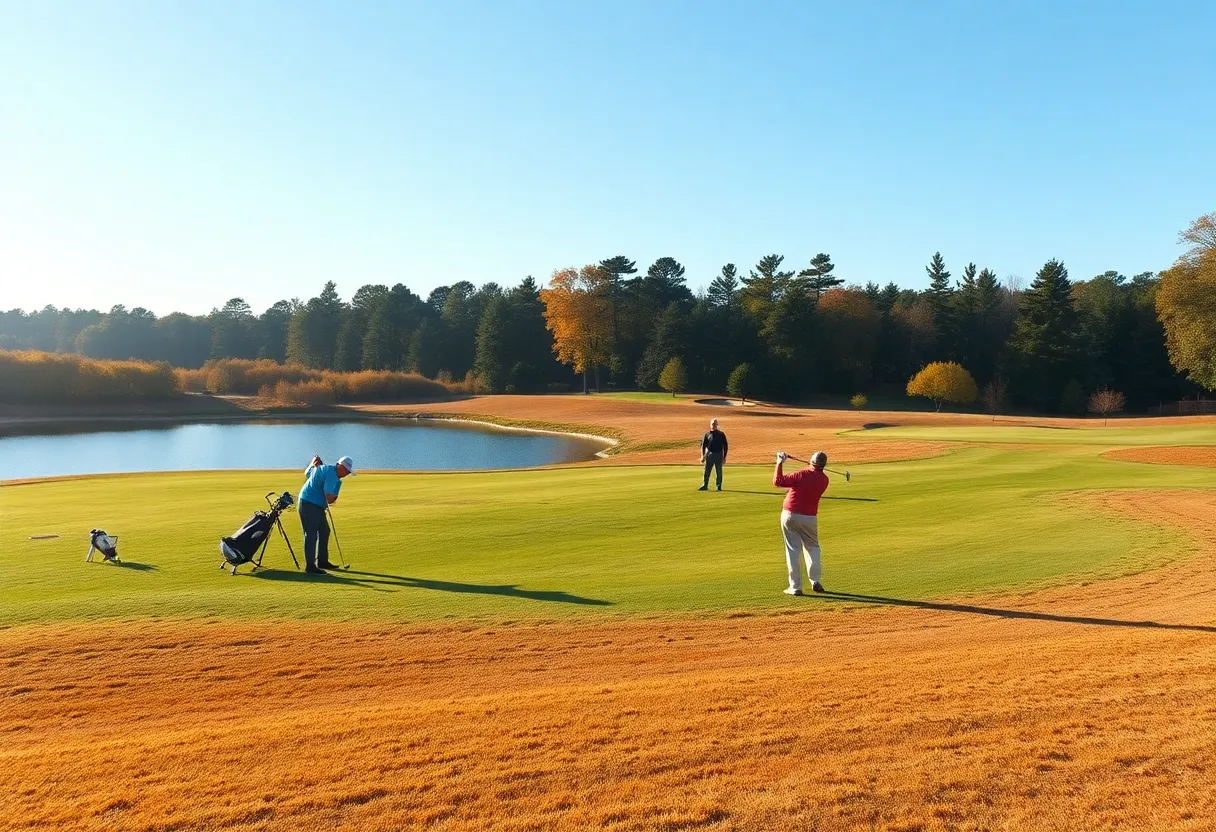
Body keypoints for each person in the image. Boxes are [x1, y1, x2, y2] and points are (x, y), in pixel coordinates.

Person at [773, 450, 830, 596]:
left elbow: (778, 481)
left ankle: (795, 587)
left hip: (790, 515)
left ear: (811, 462)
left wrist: (780, 462)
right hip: (810, 518)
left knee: (793, 550)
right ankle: (815, 580)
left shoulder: (802, 474)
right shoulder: (825, 480)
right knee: (813, 548)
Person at [298, 454, 355, 573]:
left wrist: (313, 463)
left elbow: (308, 473)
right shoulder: (332, 475)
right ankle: (310, 566)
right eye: (346, 470)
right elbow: (329, 498)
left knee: (324, 531)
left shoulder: (324, 469)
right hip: (309, 504)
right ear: (339, 466)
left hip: (314, 505)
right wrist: (336, 493)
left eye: (348, 472)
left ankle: (322, 562)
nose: (347, 474)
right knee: (311, 534)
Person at [699, 418, 728, 491]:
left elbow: (725, 446)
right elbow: (703, 446)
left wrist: (724, 457)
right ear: (710, 425)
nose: (713, 425)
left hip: (718, 455)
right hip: (709, 455)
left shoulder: (721, 434)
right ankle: (705, 485)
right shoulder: (707, 434)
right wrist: (702, 456)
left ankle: (718, 486)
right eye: (712, 424)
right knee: (706, 471)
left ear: (717, 425)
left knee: (719, 471)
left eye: (715, 424)